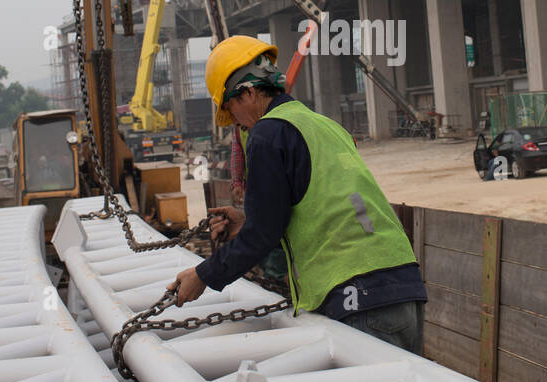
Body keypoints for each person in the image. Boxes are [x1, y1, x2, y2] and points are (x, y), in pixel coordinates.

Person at [167, 36, 427, 353]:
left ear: (247, 92)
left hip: (356, 296)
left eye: (230, 108)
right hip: (404, 289)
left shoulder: (267, 133)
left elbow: (262, 235)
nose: (235, 122)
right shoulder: (324, 125)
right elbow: (325, 209)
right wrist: (246, 224)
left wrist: (203, 275)